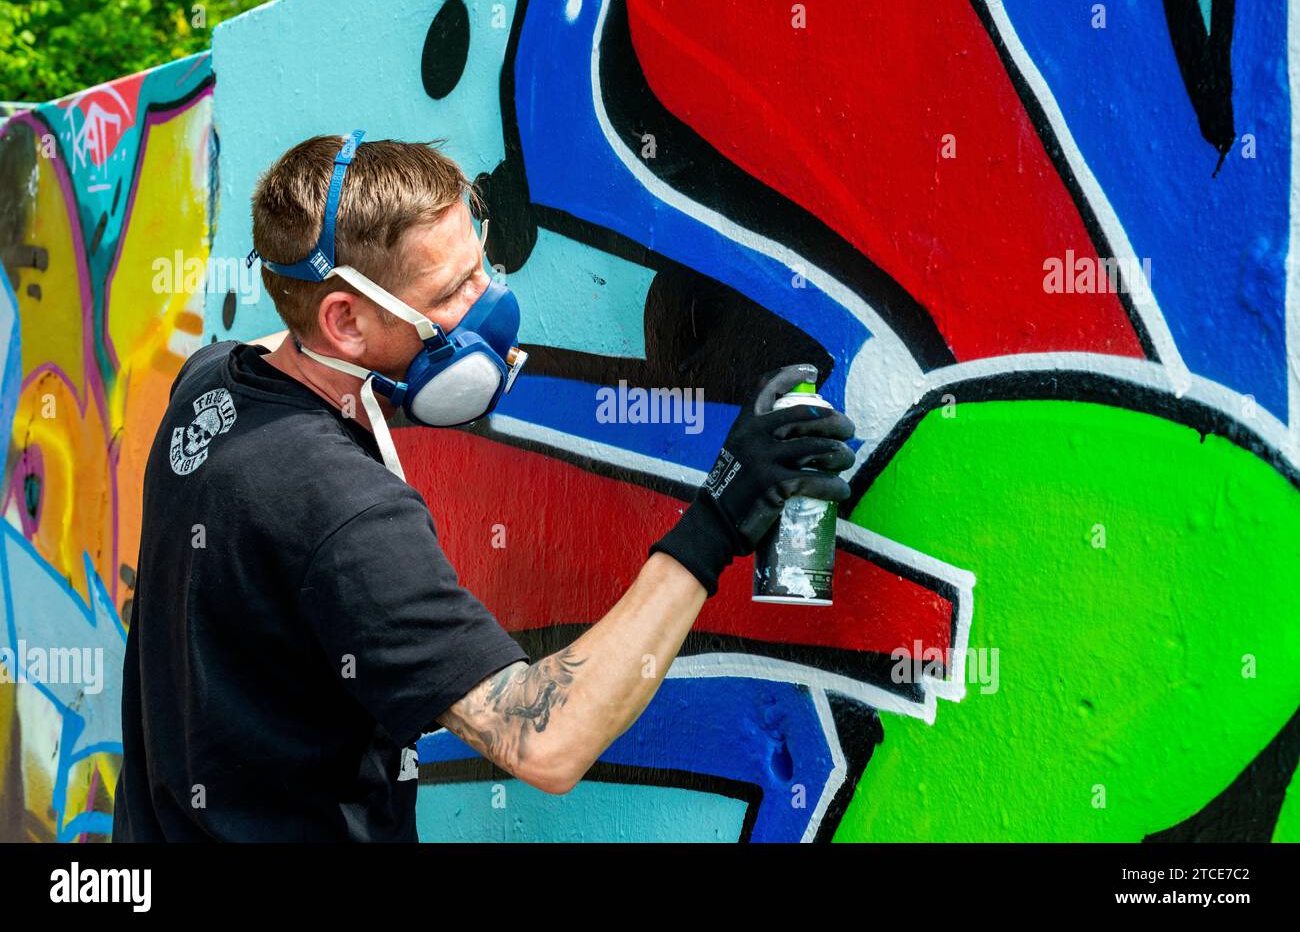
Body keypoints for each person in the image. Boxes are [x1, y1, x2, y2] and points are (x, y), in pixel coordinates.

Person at [112, 131, 856, 842]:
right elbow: (546, 741)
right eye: (454, 289)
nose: (490, 298)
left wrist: (392, 380)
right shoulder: (345, 510)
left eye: (482, 264)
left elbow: (296, 365)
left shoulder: (210, 379)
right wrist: (720, 517)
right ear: (345, 320)